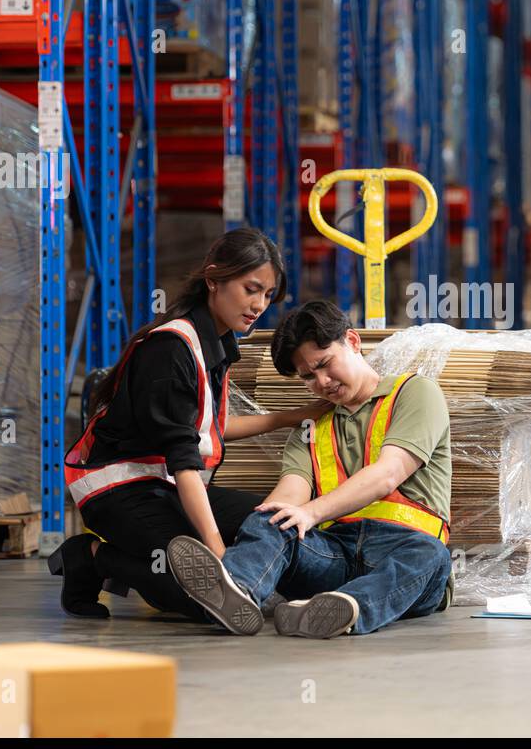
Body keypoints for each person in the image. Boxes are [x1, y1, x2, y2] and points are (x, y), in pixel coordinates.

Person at [49, 228, 328, 620]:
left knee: (272, 523)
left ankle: (197, 569)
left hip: (164, 486)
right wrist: (220, 559)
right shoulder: (171, 349)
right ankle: (91, 557)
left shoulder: (215, 343)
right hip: (117, 491)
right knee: (201, 594)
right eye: (251, 289)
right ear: (213, 279)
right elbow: (184, 460)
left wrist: (289, 417)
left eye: (267, 295)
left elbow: (205, 429)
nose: (259, 304)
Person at [166, 299, 453, 639]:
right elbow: (291, 491)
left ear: (353, 341)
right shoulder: (312, 426)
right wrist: (266, 526)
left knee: (431, 555)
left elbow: (388, 474)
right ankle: (235, 591)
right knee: (271, 516)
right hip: (334, 555)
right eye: (309, 377)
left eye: (325, 364)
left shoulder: (415, 393)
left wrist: (311, 513)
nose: (323, 381)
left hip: (404, 554)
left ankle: (344, 608)